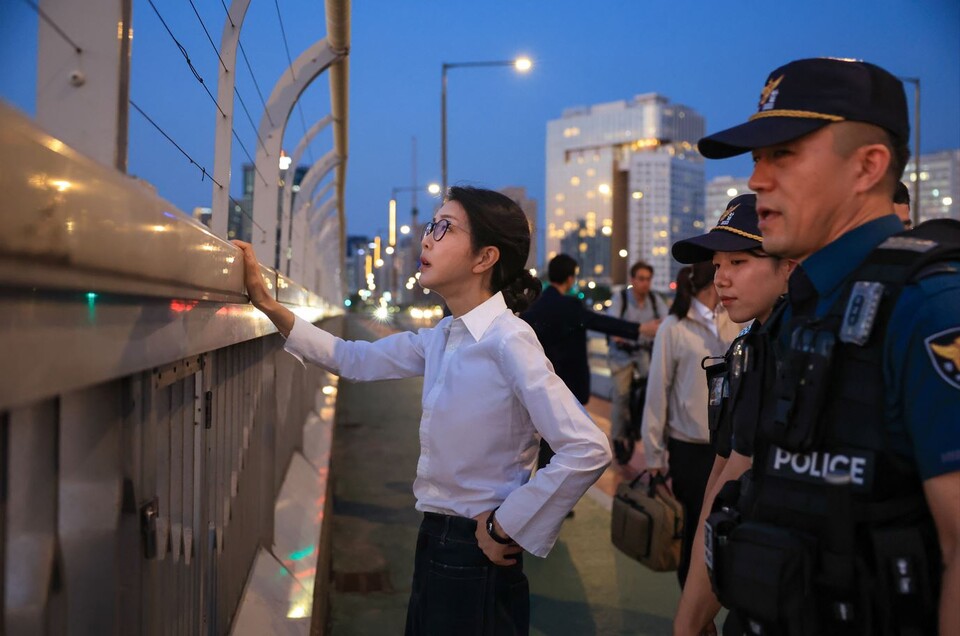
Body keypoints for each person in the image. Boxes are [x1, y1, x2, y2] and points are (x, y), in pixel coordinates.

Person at [232, 186, 612, 635]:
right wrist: (271, 306)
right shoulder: (443, 337)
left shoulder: (508, 339)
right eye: (431, 226)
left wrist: (505, 525)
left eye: (444, 228)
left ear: (484, 258)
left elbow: (587, 448)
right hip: (436, 540)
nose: (427, 239)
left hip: (475, 549)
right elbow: (352, 358)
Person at [696, 57, 960, 634]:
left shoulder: (929, 309)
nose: (756, 179)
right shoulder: (804, 308)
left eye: (783, 154)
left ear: (868, 166)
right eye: (757, 158)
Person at [668, 194, 796, 636]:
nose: (721, 278)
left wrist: (689, 619)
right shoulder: (751, 347)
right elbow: (723, 473)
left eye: (738, 263)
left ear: (789, 268)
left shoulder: (795, 350)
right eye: (718, 265)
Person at [641, 260, 741, 589]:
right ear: (713, 279)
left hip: (730, 445)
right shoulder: (675, 326)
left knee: (728, 527)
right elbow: (658, 392)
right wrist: (654, 457)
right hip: (689, 449)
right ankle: (692, 608)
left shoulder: (737, 320)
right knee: (694, 533)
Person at [521, 253, 642, 470]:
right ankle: (557, 500)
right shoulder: (570, 306)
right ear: (570, 278)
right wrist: (639, 329)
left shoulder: (535, 307)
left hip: (541, 382)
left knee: (548, 443)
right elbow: (599, 322)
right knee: (564, 447)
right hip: (568, 385)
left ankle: (545, 494)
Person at [607, 261, 669, 465]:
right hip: (622, 356)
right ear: (632, 280)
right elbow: (613, 326)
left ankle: (645, 429)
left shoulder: (654, 300)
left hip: (644, 354)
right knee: (621, 395)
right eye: (640, 279)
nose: (645, 283)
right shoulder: (621, 299)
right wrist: (625, 335)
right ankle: (617, 438)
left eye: (648, 279)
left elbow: (666, 323)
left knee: (654, 392)